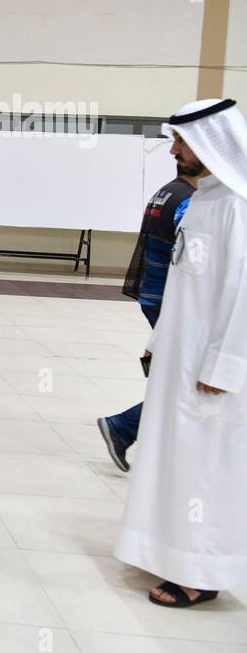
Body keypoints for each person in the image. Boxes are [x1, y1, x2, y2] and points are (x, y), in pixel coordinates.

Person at [114, 98, 247, 608]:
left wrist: (226, 362)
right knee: (175, 460)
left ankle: (201, 573)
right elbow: (182, 284)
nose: (174, 150)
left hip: (211, 371)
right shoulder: (205, 201)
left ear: (210, 144)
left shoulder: (237, 206)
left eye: (180, 141)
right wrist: (157, 340)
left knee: (206, 470)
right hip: (180, 360)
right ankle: (168, 550)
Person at [96, 167, 197, 471]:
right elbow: (189, 262)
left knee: (180, 379)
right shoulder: (189, 201)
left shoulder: (167, 192)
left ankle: (129, 430)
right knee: (190, 383)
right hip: (172, 301)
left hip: (155, 296)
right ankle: (124, 427)